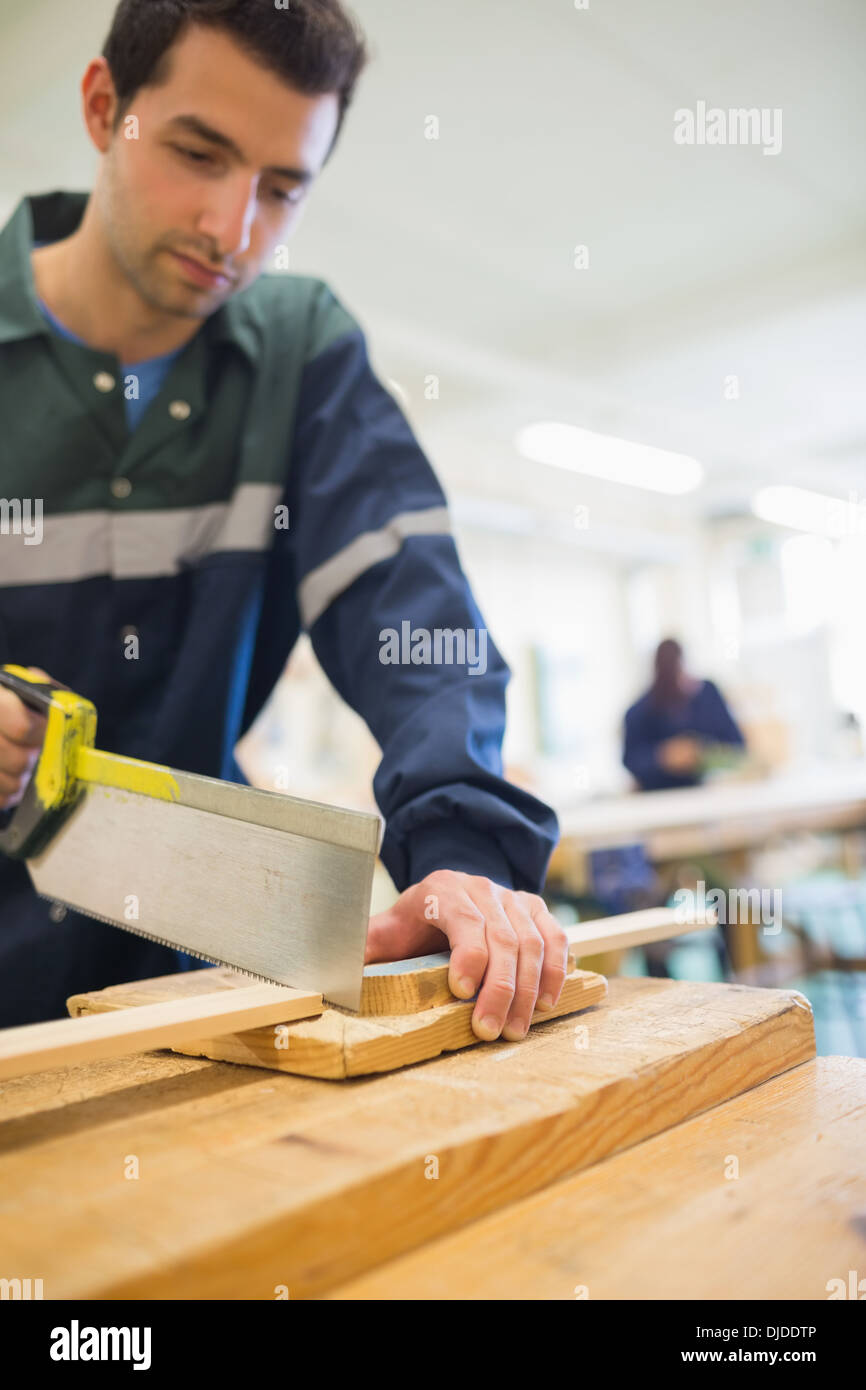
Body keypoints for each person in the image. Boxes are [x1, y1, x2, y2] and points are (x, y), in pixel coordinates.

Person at [0, 0, 566, 1031]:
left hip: (206, 979)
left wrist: (461, 855)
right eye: (198, 154)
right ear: (101, 108)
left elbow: (413, 613)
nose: (233, 229)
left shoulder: (301, 355)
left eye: (281, 187)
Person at [623, 639, 745, 791]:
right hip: (660, 795)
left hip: (710, 790)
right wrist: (663, 757)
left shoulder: (708, 696)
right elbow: (630, 760)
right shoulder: (639, 712)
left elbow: (738, 747)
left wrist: (700, 753)